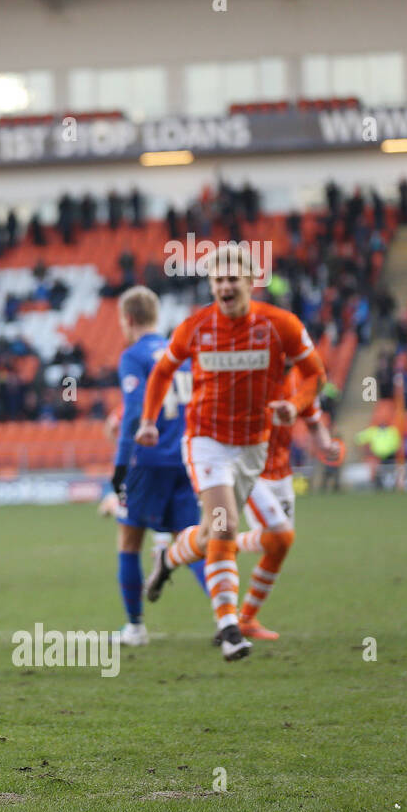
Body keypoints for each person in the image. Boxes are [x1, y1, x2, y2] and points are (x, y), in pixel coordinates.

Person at [136, 244, 326, 662]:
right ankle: (228, 627)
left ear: (250, 281)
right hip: (205, 441)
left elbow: (316, 375)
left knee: (210, 534)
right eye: (218, 280)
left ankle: (168, 558)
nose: (225, 286)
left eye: (232, 279)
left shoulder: (281, 326)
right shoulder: (196, 327)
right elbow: (161, 372)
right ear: (211, 285)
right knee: (224, 527)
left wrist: (294, 407)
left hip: (252, 448)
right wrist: (148, 421)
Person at [109, 288, 209, 647]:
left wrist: (120, 466)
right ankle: (228, 617)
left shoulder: (133, 356)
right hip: (184, 459)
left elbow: (136, 412)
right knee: (195, 539)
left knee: (129, 540)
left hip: (146, 462)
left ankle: (135, 627)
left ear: (129, 319)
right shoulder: (181, 354)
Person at [233, 370, 339, 639]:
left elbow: (314, 422)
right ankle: (219, 544)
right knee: (279, 534)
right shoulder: (250, 374)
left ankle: (246, 618)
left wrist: (327, 446)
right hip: (250, 470)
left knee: (279, 545)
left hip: (282, 474)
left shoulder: (300, 382)